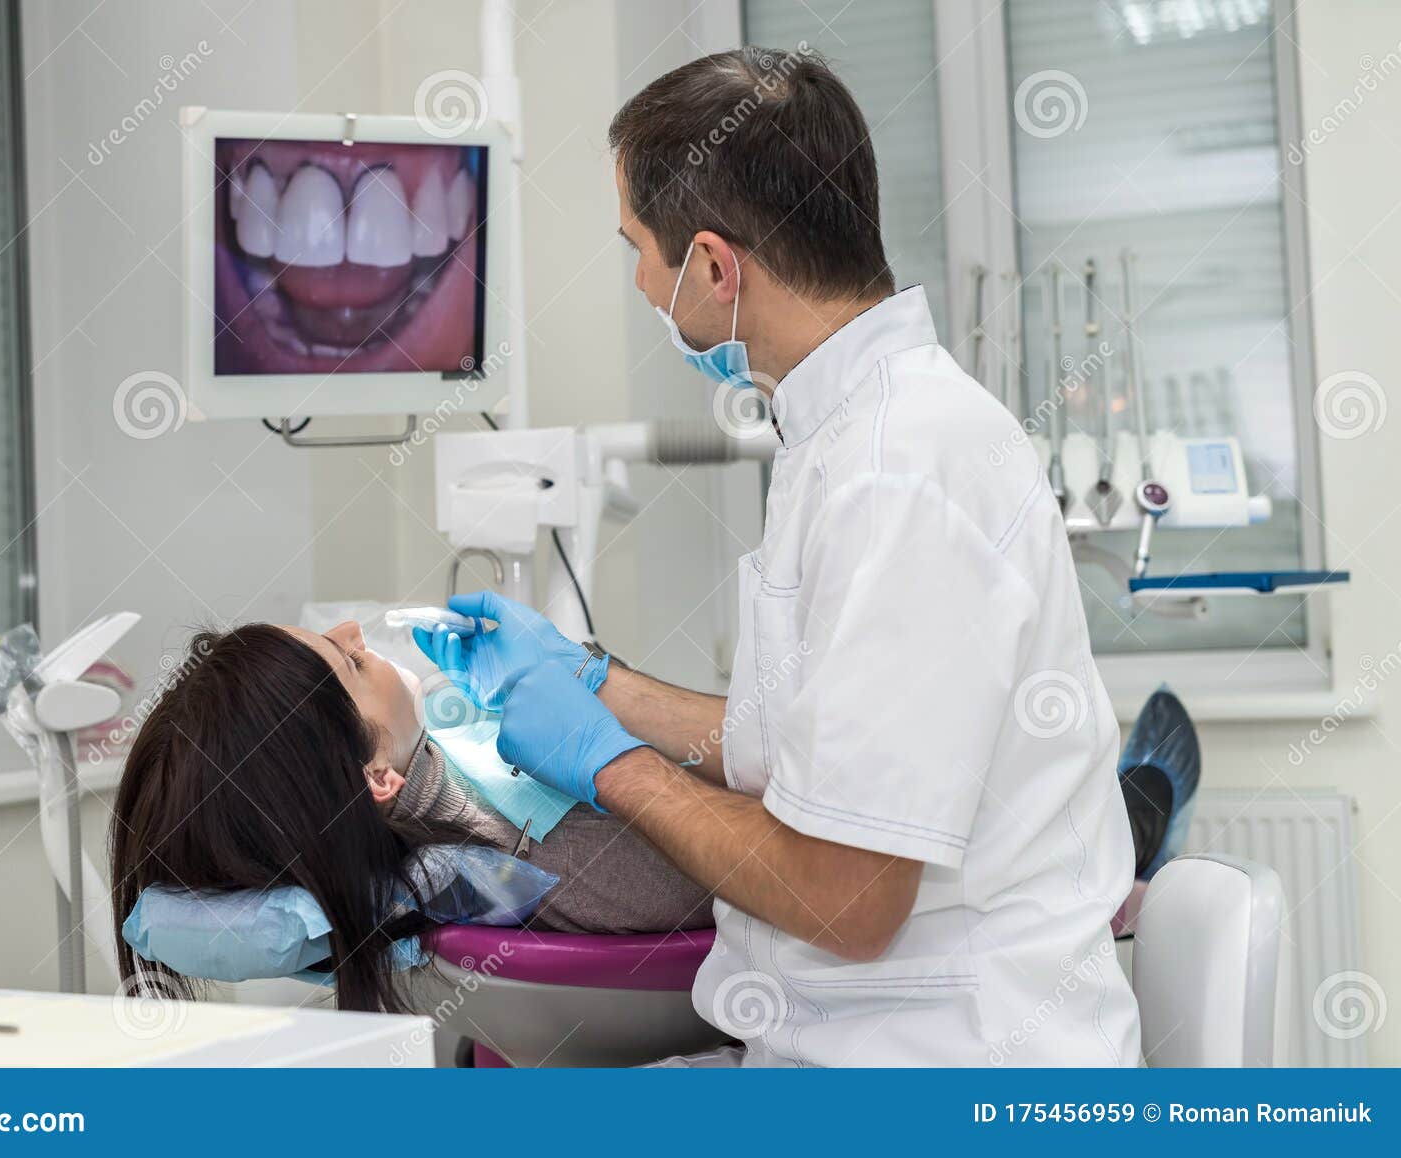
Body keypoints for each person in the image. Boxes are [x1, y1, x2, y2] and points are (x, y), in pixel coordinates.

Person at [416, 47, 1141, 1066]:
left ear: (714, 267)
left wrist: (612, 765)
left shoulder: (896, 475)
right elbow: (818, 743)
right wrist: (600, 684)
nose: (635, 277)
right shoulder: (854, 436)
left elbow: (849, 899)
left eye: (637, 247)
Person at [110, 621, 713, 1013]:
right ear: (376, 776)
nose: (352, 631)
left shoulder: (428, 771)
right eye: (350, 663)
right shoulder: (525, 846)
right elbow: (718, 873)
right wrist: (598, 686)